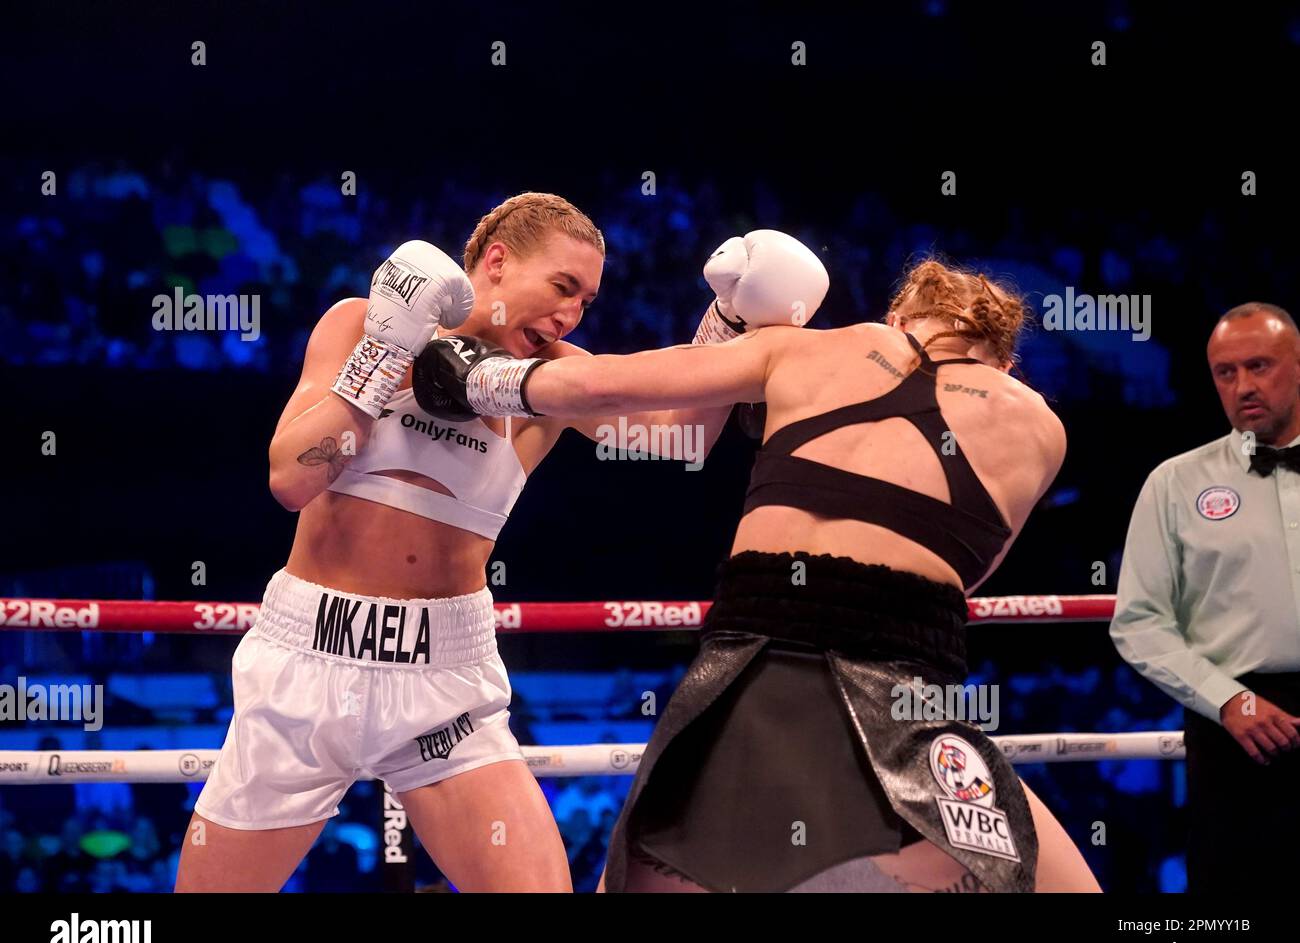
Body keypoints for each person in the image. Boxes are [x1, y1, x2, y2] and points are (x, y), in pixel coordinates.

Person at [175, 191, 828, 892]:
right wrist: (384, 355)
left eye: (585, 302)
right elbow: (290, 477)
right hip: (308, 656)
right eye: (562, 287)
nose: (571, 315)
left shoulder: (549, 382)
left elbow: (680, 436)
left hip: (444, 682)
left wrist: (728, 321)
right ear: (496, 262)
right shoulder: (360, 324)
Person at [419, 258, 1100, 892]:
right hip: (904, 692)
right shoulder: (1038, 425)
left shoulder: (810, 348)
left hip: (750, 673)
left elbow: (605, 388)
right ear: (1005, 361)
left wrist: (472, 377)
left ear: (897, 320)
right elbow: (964, 574)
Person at [1111, 302, 1300, 894]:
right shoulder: (1175, 483)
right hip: (1236, 722)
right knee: (1232, 903)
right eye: (1225, 372)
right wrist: (1226, 699)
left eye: (1259, 366)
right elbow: (1138, 621)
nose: (1243, 386)